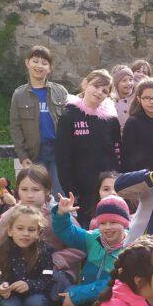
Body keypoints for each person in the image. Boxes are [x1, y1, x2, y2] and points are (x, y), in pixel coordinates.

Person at [0, 165, 85, 300]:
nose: (30, 195)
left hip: (55, 271)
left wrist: (54, 260)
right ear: (17, 191)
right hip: (17, 271)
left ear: (47, 190)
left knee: (42, 296)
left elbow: (81, 245)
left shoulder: (60, 215)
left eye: (36, 190)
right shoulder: (9, 216)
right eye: (24, 189)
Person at [51, 193, 131, 306]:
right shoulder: (93, 238)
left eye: (113, 222)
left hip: (114, 295)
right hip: (89, 289)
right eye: (102, 223)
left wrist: (77, 294)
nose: (107, 228)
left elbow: (112, 285)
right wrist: (61, 215)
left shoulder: (130, 248)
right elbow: (68, 233)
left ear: (125, 223)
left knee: (98, 302)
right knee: (67, 292)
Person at [54, 69, 122, 226]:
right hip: (82, 190)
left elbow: (117, 153)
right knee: (86, 230)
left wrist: (117, 183)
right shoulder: (69, 116)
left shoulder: (111, 120)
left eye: (104, 90)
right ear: (85, 84)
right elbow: (63, 157)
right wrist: (71, 189)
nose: (99, 92)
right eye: (96, 86)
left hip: (107, 189)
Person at [10, 45, 67, 195]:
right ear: (27, 63)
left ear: (50, 68)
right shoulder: (19, 94)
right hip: (35, 153)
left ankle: (59, 218)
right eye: (35, 61)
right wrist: (22, 156)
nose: (39, 66)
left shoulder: (60, 91)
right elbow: (16, 128)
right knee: (36, 193)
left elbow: (69, 123)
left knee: (59, 194)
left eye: (44, 63)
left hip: (59, 152)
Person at [111, 64, 136, 132]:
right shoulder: (110, 101)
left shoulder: (137, 99)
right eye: (124, 80)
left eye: (131, 80)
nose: (129, 83)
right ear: (116, 84)